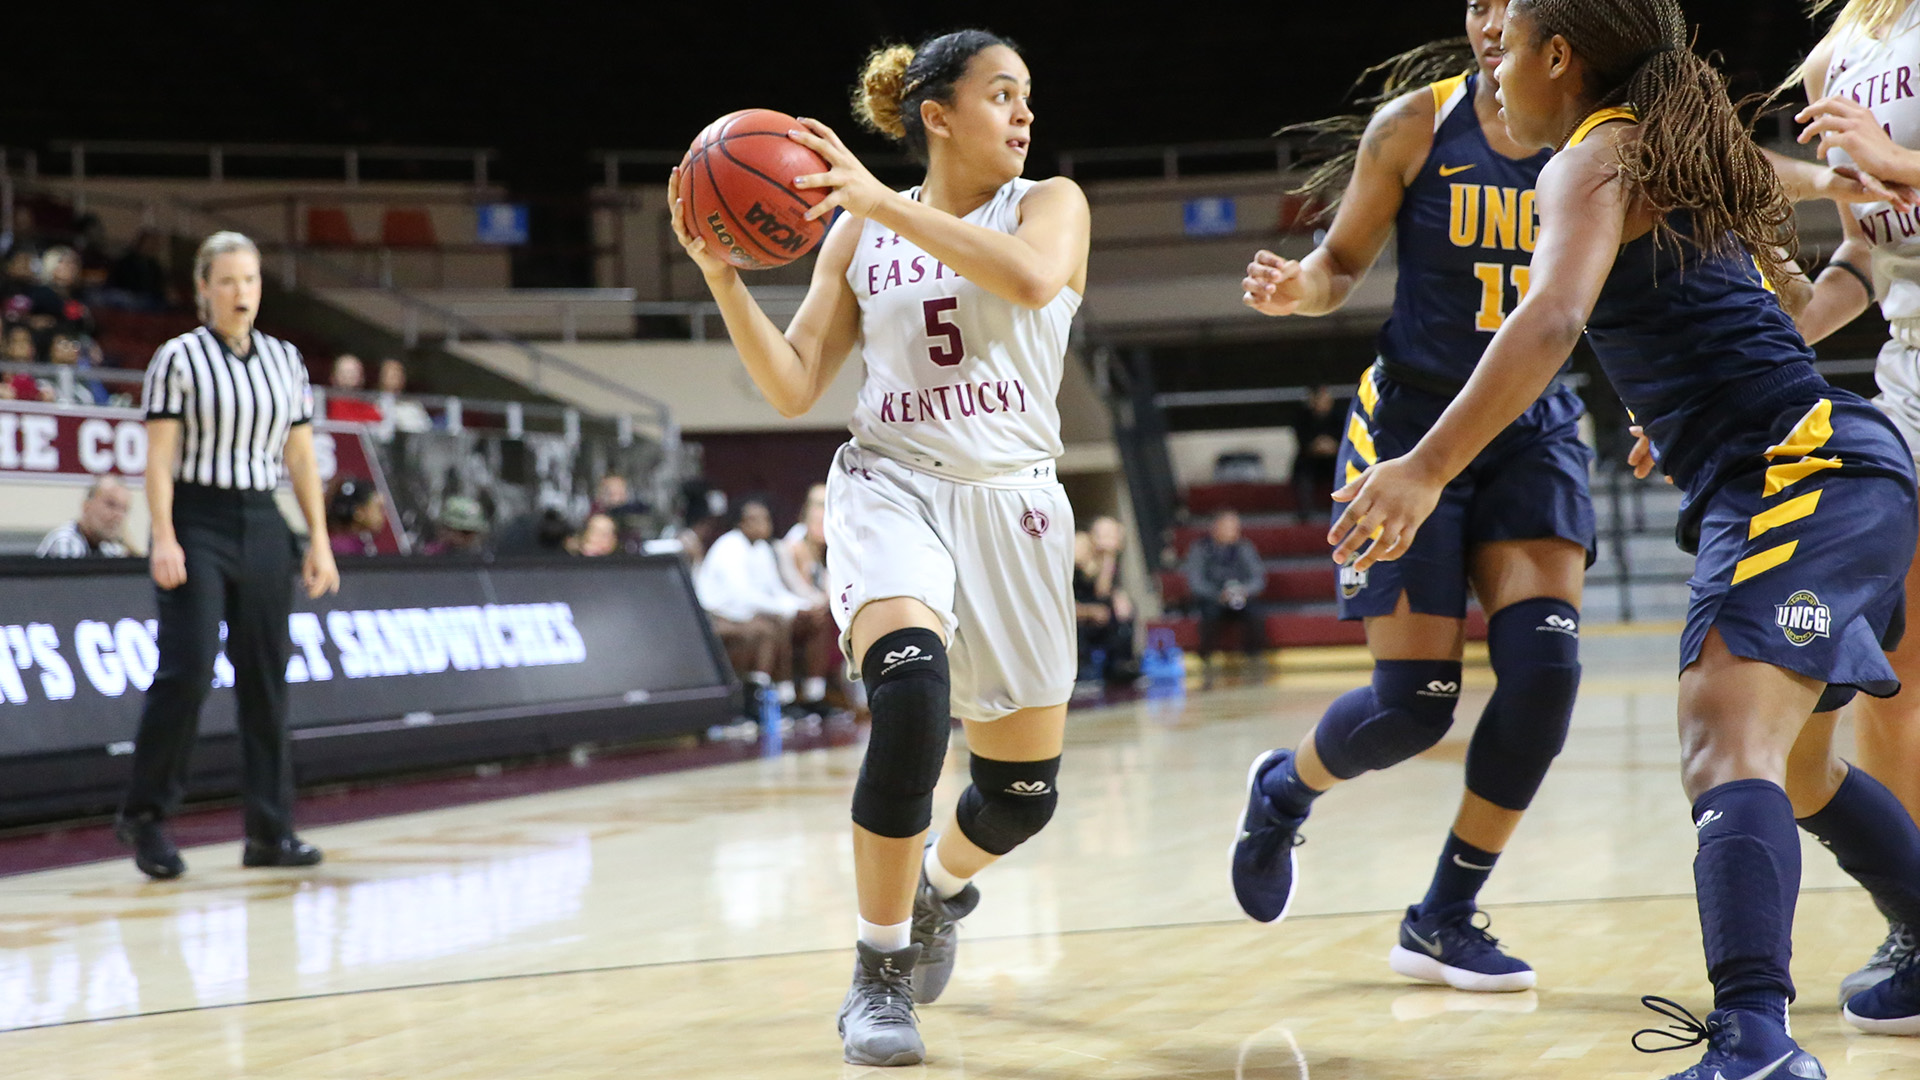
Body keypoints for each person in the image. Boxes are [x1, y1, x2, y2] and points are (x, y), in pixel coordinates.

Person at [1328, 1, 1920, 1071]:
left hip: (1801, 471)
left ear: (1560, 56)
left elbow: (1549, 320)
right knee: (1795, 770)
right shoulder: (1662, 147)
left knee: (1719, 733)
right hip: (1825, 465)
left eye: (1507, 52)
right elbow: (1750, 313)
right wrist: (1685, 410)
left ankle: (1753, 1041)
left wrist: (1423, 467)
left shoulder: (1593, 157)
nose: (1493, 73)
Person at [669, 27, 1088, 1065]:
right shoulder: (860, 236)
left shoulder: (1049, 203)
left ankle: (942, 891)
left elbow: (1034, 283)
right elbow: (796, 382)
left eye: (1026, 96)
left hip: (1016, 504)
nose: (1024, 114)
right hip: (891, 485)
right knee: (909, 696)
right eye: (1002, 95)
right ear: (935, 115)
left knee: (1019, 799)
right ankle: (878, 969)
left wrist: (879, 200)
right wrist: (725, 279)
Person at [1231, 0, 1593, 996]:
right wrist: (1300, 289)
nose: (1488, 20)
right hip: (1410, 434)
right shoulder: (1416, 126)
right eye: (1477, 1)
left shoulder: (1604, 134)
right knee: (1415, 709)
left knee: (1546, 676)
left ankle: (1443, 914)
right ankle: (1282, 791)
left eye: (1511, 6)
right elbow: (1340, 265)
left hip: (1534, 431)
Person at [1768, 0, 1920, 1006]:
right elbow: (1865, 258)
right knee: (1896, 668)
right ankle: (1917, 924)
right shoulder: (1833, 59)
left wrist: (1897, 164)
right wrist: (1781, 326)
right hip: (1908, 376)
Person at [115, 230, 340, 882]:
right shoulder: (177, 358)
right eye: (229, 282)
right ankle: (147, 815)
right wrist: (162, 533)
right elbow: (158, 458)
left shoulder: (287, 359)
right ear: (203, 291)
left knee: (266, 678)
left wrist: (318, 537)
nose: (242, 293)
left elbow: (299, 455)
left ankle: (271, 832)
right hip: (197, 516)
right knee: (187, 670)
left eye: (251, 280)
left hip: (263, 520)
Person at [694, 496, 812, 702]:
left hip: (742, 614)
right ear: (741, 523)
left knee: (783, 622)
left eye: (766, 519)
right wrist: (788, 609)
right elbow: (743, 597)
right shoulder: (729, 547)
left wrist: (801, 606)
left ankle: (788, 697)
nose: (764, 524)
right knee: (765, 629)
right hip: (714, 618)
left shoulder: (761, 548)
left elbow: (774, 591)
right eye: (756, 519)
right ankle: (754, 698)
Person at [1183, 508, 1269, 672]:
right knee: (1209, 615)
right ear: (1216, 527)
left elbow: (1258, 578)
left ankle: (1254, 656)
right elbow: (1195, 582)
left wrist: (1243, 591)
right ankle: (1206, 657)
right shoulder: (1200, 549)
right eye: (1228, 527)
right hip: (1213, 598)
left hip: (1240, 596)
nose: (1233, 532)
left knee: (1255, 614)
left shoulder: (1244, 547)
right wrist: (1217, 595)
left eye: (1235, 528)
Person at [778, 483, 838, 706]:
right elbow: (793, 587)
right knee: (818, 620)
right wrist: (822, 601)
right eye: (819, 506)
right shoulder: (791, 546)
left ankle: (819, 694)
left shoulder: (829, 546)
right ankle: (804, 696)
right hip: (788, 612)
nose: (823, 513)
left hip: (819, 610)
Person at [1074, 515, 1137, 684]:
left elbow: (1102, 591)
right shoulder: (1078, 548)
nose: (1110, 538)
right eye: (1105, 533)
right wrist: (1088, 612)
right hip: (1071, 608)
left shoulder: (1107, 557)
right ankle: (1081, 672)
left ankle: (1120, 666)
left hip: (1095, 610)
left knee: (1125, 608)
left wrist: (1109, 556)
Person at [37, 475, 132, 558]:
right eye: (111, 505)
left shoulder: (111, 549)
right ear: (86, 506)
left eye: (124, 510)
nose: (118, 516)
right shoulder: (64, 541)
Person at [1289, 385, 1345, 518]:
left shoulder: (1340, 416)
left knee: (1346, 471)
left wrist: (1332, 446)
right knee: (1302, 474)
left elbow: (1345, 439)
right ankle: (1305, 514)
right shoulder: (1302, 417)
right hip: (1310, 461)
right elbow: (1303, 441)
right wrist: (1318, 446)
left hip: (1333, 461)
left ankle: (1344, 512)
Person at [327, 477, 383, 557]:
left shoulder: (364, 546)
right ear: (359, 512)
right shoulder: (341, 549)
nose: (384, 514)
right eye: (379, 508)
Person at [376, 357, 432, 434]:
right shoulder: (374, 405)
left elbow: (426, 431)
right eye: (391, 372)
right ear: (382, 376)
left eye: (399, 372)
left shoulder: (414, 407)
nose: (396, 375)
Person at [422, 494, 489, 556]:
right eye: (466, 532)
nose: (472, 538)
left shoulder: (486, 558)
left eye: (476, 533)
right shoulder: (430, 556)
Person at [325, 354, 382, 424]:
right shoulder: (326, 406)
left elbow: (377, 421)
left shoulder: (368, 406)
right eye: (345, 372)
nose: (349, 376)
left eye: (353, 371)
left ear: (362, 377)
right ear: (333, 377)